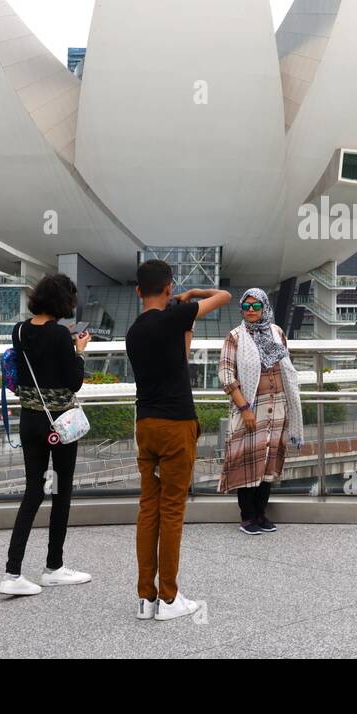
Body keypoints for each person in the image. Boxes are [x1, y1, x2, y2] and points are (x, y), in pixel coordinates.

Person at [125, 259, 229, 621]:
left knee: (148, 509)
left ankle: (146, 598)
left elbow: (178, 359)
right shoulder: (176, 315)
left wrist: (187, 325)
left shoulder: (134, 331)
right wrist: (195, 294)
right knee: (171, 511)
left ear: (138, 291)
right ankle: (169, 598)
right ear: (169, 287)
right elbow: (225, 296)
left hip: (146, 424)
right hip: (176, 424)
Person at [0, 274, 93, 596]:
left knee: (33, 492)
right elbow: (74, 382)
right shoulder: (60, 335)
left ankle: (12, 572)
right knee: (61, 491)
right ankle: (53, 567)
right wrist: (80, 350)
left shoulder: (19, 331)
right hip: (60, 422)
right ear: (63, 301)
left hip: (30, 420)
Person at [218, 289, 304, 534]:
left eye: (256, 306)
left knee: (269, 462)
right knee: (248, 460)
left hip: (277, 408)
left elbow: (286, 368)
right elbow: (226, 376)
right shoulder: (235, 337)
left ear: (265, 307)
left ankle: (260, 514)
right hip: (250, 409)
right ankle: (247, 517)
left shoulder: (277, 333)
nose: (251, 311)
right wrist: (245, 408)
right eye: (246, 306)